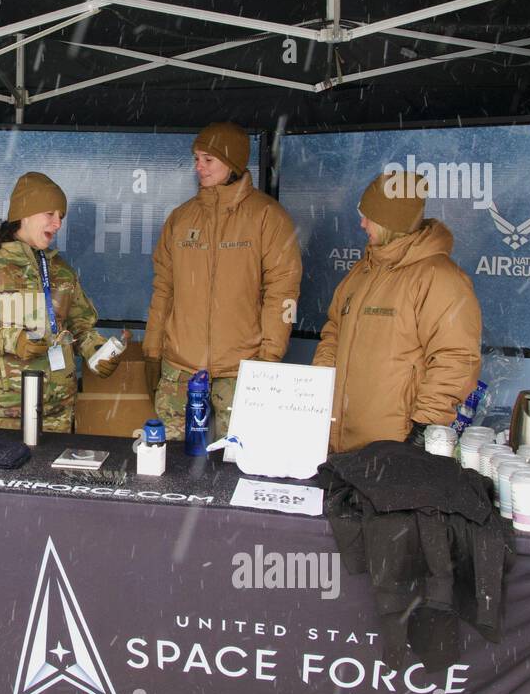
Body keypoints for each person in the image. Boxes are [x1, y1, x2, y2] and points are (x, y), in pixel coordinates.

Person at [143, 122, 302, 439]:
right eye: (196, 158)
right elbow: (164, 288)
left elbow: (282, 291)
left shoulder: (267, 217)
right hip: (180, 369)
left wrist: (267, 360)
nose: (198, 166)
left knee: (237, 464)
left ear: (232, 162)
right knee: (170, 463)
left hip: (241, 371)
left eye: (208, 159)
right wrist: (153, 348)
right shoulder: (181, 217)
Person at [313, 171, 482, 453]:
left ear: (390, 222)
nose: (362, 223)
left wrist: (424, 427)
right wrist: (318, 385)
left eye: (369, 216)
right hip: (338, 440)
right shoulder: (363, 270)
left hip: (394, 445)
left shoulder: (439, 278)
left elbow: (455, 359)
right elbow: (333, 332)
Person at [0, 172, 122, 430]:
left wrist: (97, 350)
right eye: (50, 214)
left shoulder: (60, 269)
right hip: (1, 413)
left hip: (57, 412)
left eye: (61, 216)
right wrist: (13, 340)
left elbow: (79, 326)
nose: (58, 223)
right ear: (24, 213)